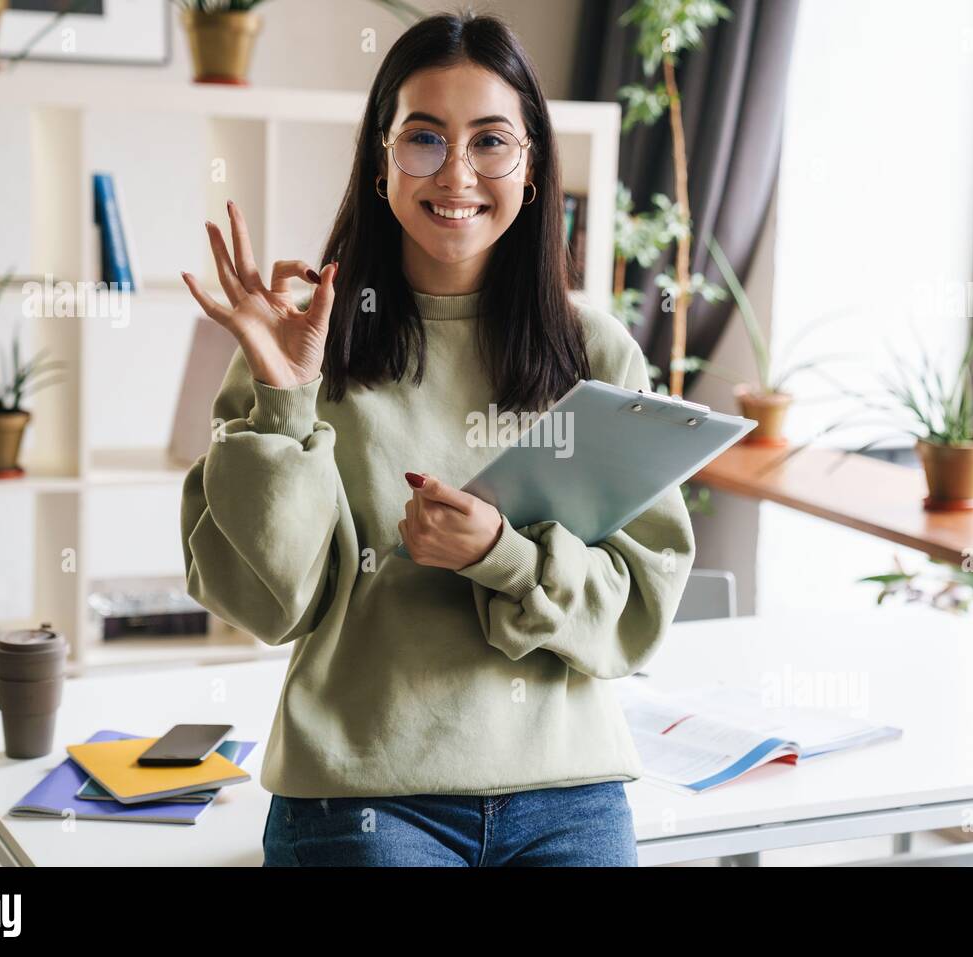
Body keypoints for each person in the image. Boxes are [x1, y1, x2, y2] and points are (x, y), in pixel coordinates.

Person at [179, 11, 695, 867]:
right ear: (381, 162)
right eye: (424, 139)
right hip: (363, 791)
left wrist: (505, 555)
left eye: (491, 141)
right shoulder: (303, 340)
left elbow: (641, 607)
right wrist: (282, 396)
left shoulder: (596, 354)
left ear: (530, 167)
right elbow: (267, 605)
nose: (456, 172)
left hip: (569, 790)